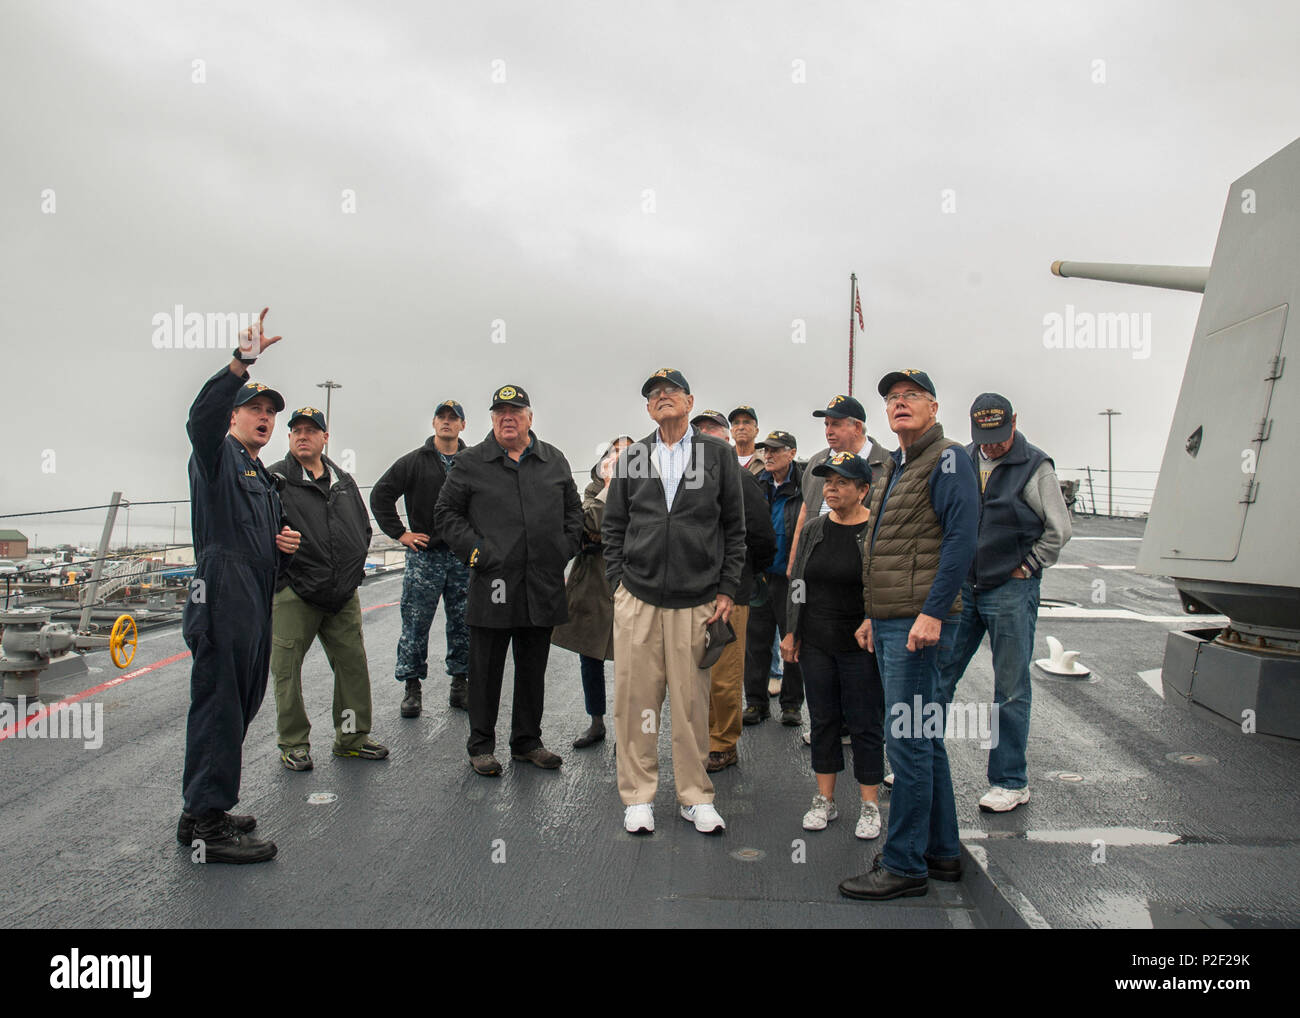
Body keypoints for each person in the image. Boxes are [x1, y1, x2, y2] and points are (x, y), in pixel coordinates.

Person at [839, 369, 978, 901]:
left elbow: (963, 539)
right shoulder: (901, 463)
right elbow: (889, 548)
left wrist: (934, 611)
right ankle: (940, 852)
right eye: (893, 399)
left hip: (921, 624)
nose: (900, 404)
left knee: (908, 741)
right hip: (896, 619)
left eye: (911, 397)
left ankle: (903, 865)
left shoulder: (949, 459)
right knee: (924, 738)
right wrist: (875, 613)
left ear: (934, 407)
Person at [177, 308, 300, 864]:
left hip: (255, 594)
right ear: (232, 417)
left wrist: (282, 544)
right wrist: (239, 363)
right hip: (222, 592)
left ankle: (206, 806)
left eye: (270, 412)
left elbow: (263, 533)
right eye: (254, 408)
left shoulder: (261, 474)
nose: (265, 417)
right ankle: (205, 823)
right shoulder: (216, 455)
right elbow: (199, 418)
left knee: (243, 701)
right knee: (219, 703)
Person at [603, 369, 746, 834]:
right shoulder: (634, 457)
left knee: (690, 702)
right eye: (653, 395)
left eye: (670, 392)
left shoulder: (718, 455)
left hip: (696, 599)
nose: (662, 399)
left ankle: (695, 795)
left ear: (689, 401)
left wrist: (725, 589)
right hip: (638, 597)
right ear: (648, 409)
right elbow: (613, 526)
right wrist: (617, 585)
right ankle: (638, 796)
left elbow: (734, 530)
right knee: (636, 699)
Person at [433, 385, 582, 776]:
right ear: (492, 419)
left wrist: (561, 549)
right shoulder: (470, 462)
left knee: (533, 670)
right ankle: (481, 745)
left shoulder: (554, 460)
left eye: (515, 411)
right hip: (492, 585)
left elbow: (574, 513)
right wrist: (477, 553)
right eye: (500, 412)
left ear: (530, 417)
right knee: (485, 672)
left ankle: (527, 742)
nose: (507, 417)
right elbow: (446, 513)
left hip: (541, 585)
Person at [937, 393, 1072, 812]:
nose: (991, 445)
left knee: (1010, 688)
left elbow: (1059, 529)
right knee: (939, 673)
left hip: (1010, 589)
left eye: (998, 436)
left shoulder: (1035, 467)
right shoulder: (961, 458)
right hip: (965, 586)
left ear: (1015, 422)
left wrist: (1028, 566)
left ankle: (1010, 780)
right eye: (984, 437)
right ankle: (918, 759)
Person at [267, 406, 387, 772]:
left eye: (311, 430)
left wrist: (350, 577)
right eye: (296, 431)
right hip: (295, 594)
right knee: (287, 671)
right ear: (288, 438)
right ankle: (294, 743)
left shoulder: (343, 481)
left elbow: (362, 531)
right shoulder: (274, 480)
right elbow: (260, 535)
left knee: (352, 666)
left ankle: (351, 738)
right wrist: (285, 580)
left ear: (325, 437)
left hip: (341, 594)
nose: (303, 436)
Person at [782, 450, 883, 839]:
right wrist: (792, 632)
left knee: (864, 723)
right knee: (823, 720)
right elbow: (798, 584)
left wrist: (873, 619)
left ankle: (870, 804)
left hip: (861, 645)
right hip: (817, 644)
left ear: (863, 489)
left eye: (842, 482)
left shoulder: (876, 529)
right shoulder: (814, 530)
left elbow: (882, 583)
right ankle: (825, 799)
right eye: (828, 482)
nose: (832, 488)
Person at [371, 400, 470, 717]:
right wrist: (400, 533)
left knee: (465, 624)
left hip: (461, 558)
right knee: (415, 625)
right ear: (433, 423)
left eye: (453, 418)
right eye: (441, 417)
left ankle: (460, 684)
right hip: (424, 557)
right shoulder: (414, 462)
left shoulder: (474, 462)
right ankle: (412, 688)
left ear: (462, 426)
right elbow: (381, 494)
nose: (446, 422)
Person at [691, 411, 776, 772]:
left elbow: (761, 537)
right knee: (696, 674)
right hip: (690, 591)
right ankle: (701, 737)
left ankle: (723, 743)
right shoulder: (686, 477)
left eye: (712, 435)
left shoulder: (740, 479)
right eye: (699, 435)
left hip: (730, 590)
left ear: (724, 440)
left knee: (724, 676)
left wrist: (746, 576)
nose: (704, 442)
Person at [551, 435, 634, 749]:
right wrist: (611, 487)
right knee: (590, 655)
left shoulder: (644, 489)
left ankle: (628, 729)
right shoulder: (593, 489)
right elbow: (588, 523)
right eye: (615, 453)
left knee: (631, 662)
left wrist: (604, 536)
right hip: (591, 584)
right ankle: (596, 721)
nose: (619, 459)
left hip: (628, 582)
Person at [743, 430, 805, 727]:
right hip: (761, 576)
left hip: (791, 578)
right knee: (756, 641)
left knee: (791, 639)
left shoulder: (804, 485)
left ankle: (791, 705)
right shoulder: (758, 484)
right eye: (765, 450)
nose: (768, 455)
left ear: (791, 453)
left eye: (775, 450)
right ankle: (755, 703)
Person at [786, 395, 889, 573]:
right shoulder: (817, 462)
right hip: (817, 560)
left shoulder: (887, 464)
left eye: (835, 424)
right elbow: (805, 509)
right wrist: (794, 562)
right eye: (826, 424)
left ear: (857, 427)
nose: (828, 431)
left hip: (861, 567)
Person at [728, 405, 766, 476]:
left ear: (756, 431)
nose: (741, 427)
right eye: (736, 423)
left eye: (746, 422)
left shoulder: (767, 461)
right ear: (731, 431)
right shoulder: (723, 459)